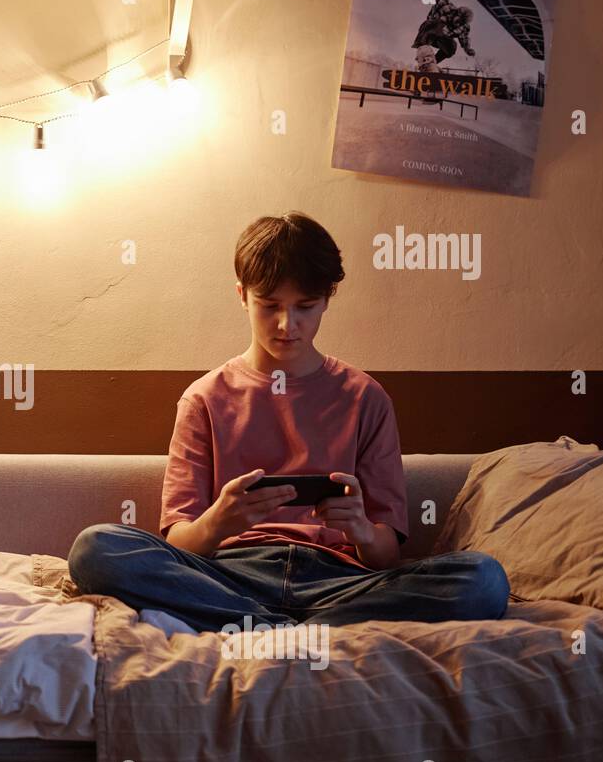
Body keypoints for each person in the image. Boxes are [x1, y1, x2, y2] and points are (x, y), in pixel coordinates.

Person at [68, 212, 511, 633]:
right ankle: (290, 628)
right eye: (269, 305)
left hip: (337, 582)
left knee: (483, 579)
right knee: (96, 548)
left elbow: (386, 556)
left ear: (327, 300)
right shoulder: (204, 399)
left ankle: (259, 626)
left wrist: (359, 528)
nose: (287, 324)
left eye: (305, 306)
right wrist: (220, 522)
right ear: (242, 295)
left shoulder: (364, 397)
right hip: (229, 576)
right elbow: (181, 542)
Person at [410, 0, 476, 64]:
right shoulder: (446, 6)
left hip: (440, 39)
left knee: (452, 47)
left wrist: (469, 50)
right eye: (458, 20)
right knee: (439, 23)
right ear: (456, 13)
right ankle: (423, 51)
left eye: (460, 23)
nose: (457, 24)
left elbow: (464, 40)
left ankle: (432, 63)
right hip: (428, 31)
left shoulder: (464, 28)